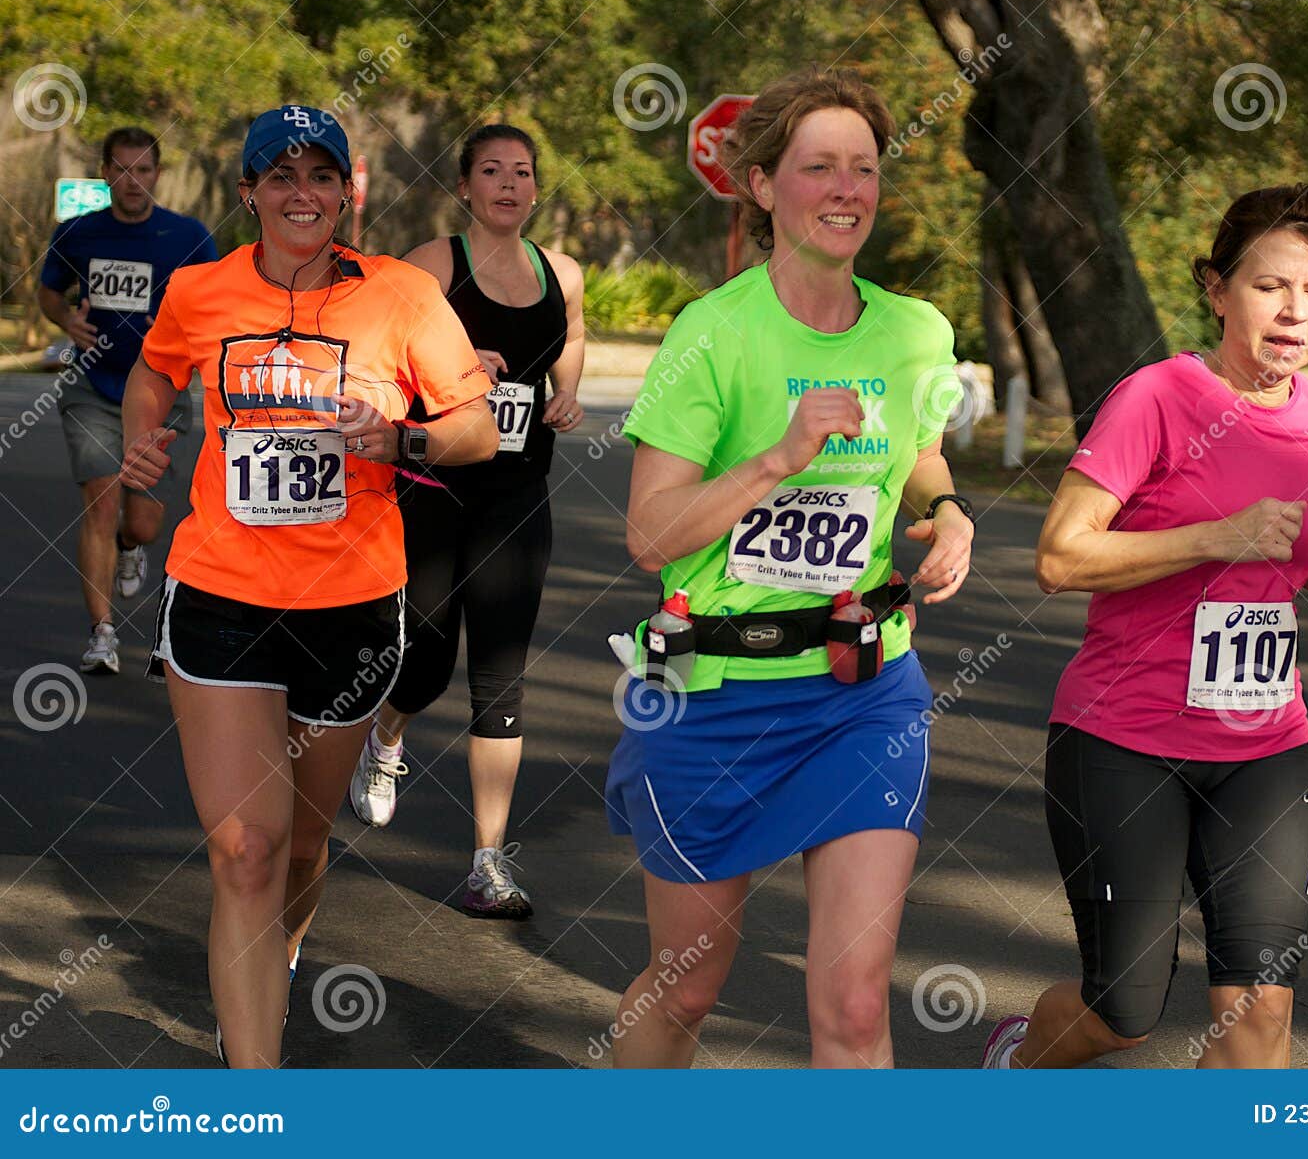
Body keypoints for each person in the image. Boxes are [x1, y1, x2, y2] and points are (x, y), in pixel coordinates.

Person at [983, 184, 1308, 1070]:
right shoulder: (1157, 397)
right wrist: (1215, 537)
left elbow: (1284, 539)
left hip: (1264, 744)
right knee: (1123, 1015)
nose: (1296, 312)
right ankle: (1018, 1058)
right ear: (1217, 290)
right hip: (1124, 739)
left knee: (1258, 1022)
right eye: (1270, 287)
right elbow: (1060, 557)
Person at [603, 67, 974, 1068]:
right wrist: (775, 461)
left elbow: (921, 453)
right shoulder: (711, 335)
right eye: (819, 167)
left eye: (863, 167)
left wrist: (944, 513)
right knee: (684, 992)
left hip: (862, 690)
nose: (847, 188)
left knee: (855, 1004)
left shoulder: (915, 333)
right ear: (762, 186)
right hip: (712, 693)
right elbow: (650, 535)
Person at [119, 105, 497, 1067]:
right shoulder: (201, 291)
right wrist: (143, 434)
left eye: (320, 177)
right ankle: (259, 1084)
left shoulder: (404, 295)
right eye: (279, 177)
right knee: (246, 847)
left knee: (296, 849)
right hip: (220, 592)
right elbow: (154, 373)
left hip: (352, 609)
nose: (302, 194)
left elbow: (477, 430)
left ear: (346, 193)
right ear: (249, 192)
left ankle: (272, 961)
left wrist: (402, 438)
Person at [348, 124, 587, 919]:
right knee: (423, 660)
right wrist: (449, 371)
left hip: (519, 496)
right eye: (492, 171)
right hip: (434, 489)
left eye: (523, 172)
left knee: (502, 679)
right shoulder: (432, 266)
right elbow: (375, 352)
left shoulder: (564, 274)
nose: (509, 185)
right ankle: (387, 736)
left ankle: (490, 861)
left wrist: (567, 388)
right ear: (466, 185)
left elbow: (571, 337)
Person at [39, 127, 217, 674]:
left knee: (142, 522)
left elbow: (214, 306)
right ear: (105, 173)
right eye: (120, 169)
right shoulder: (78, 234)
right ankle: (102, 633)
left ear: (157, 175)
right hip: (93, 385)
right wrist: (66, 319)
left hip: (160, 388)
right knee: (100, 496)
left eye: (142, 170)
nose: (131, 181)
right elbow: (49, 290)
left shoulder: (187, 236)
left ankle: (130, 545)